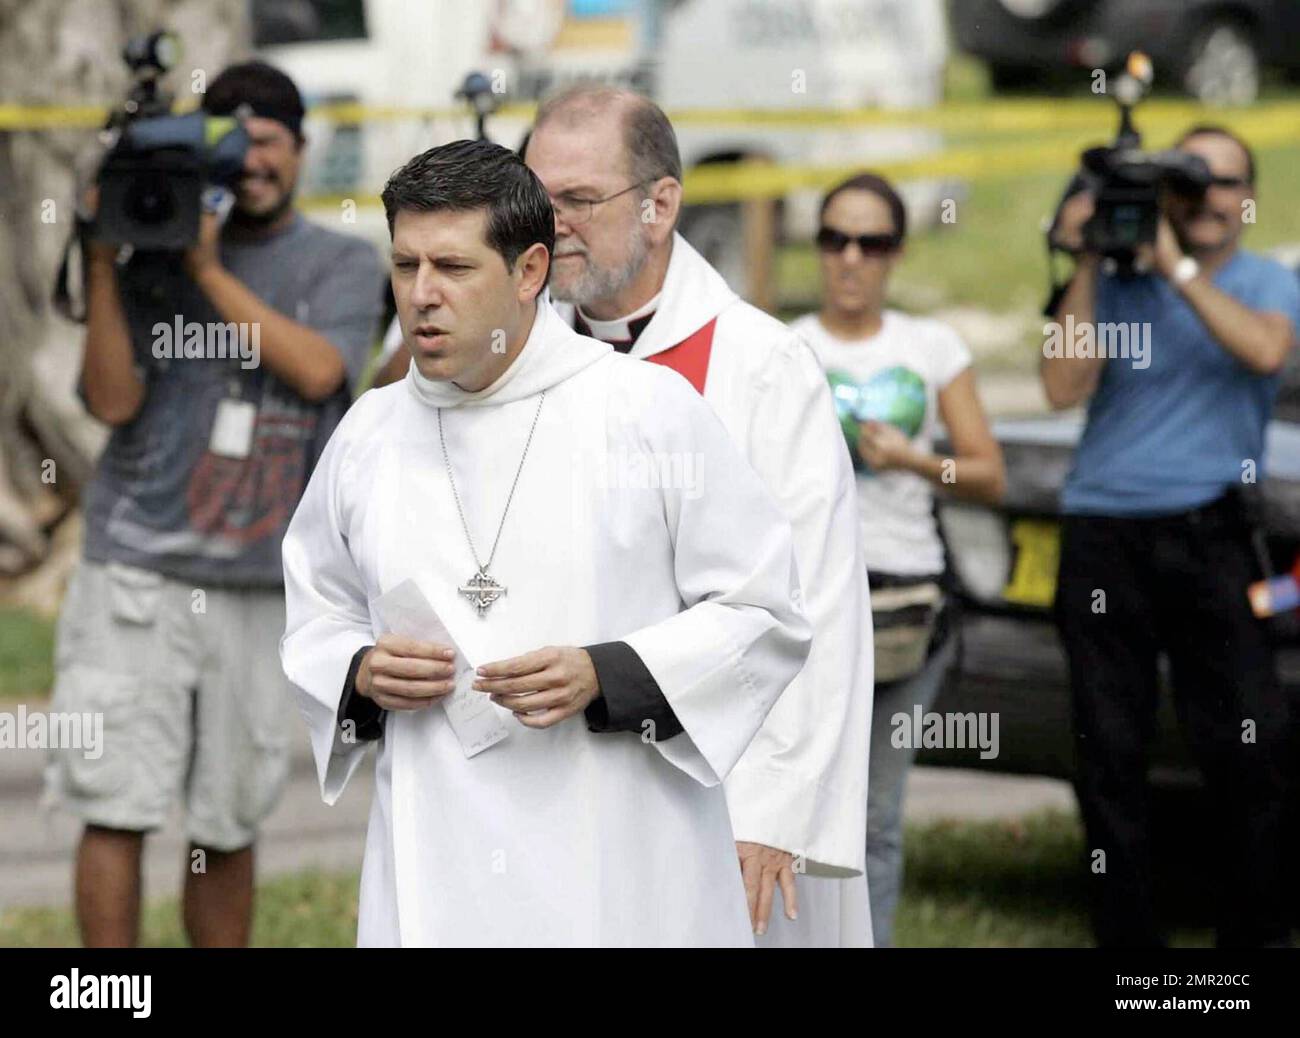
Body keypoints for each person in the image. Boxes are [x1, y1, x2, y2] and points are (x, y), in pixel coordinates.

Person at [280, 139, 814, 947]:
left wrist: (609, 674)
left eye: (453, 269)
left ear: (530, 272)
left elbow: (764, 610)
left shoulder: (645, 411)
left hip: (619, 850)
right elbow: (315, 613)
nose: (421, 296)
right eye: (405, 266)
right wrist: (360, 671)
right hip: (437, 844)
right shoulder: (370, 433)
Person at [523, 86, 874, 947]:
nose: (553, 224)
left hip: (730, 784)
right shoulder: (524, 358)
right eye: (538, 200)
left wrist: (773, 807)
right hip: (576, 777)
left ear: (661, 204)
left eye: (579, 200)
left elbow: (817, 602)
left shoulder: (761, 368)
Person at [45, 61, 385, 947]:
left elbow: (319, 374)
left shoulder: (343, 264)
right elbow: (111, 401)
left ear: (301, 151)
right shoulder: (147, 244)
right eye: (228, 146)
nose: (249, 165)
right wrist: (105, 259)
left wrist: (206, 267)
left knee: (228, 821)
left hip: (258, 581)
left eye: (266, 143)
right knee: (113, 803)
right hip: (137, 573)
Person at [1043, 125, 1299, 947]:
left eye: (1226, 184)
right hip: (1102, 534)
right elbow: (1059, 385)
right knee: (1109, 751)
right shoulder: (1117, 282)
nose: (1210, 200)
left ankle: (1251, 940)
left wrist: (1177, 269)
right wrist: (1087, 257)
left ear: (1249, 198)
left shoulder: (1268, 283)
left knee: (1247, 747)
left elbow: (1264, 352)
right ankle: (1127, 948)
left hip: (1213, 532)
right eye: (1190, 184)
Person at [791, 172, 1005, 947]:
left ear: (896, 254)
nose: (851, 259)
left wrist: (917, 463)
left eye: (871, 242)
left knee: (876, 816)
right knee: (795, 807)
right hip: (808, 609)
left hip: (906, 612)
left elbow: (986, 473)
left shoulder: (930, 346)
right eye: (834, 239)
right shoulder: (787, 349)